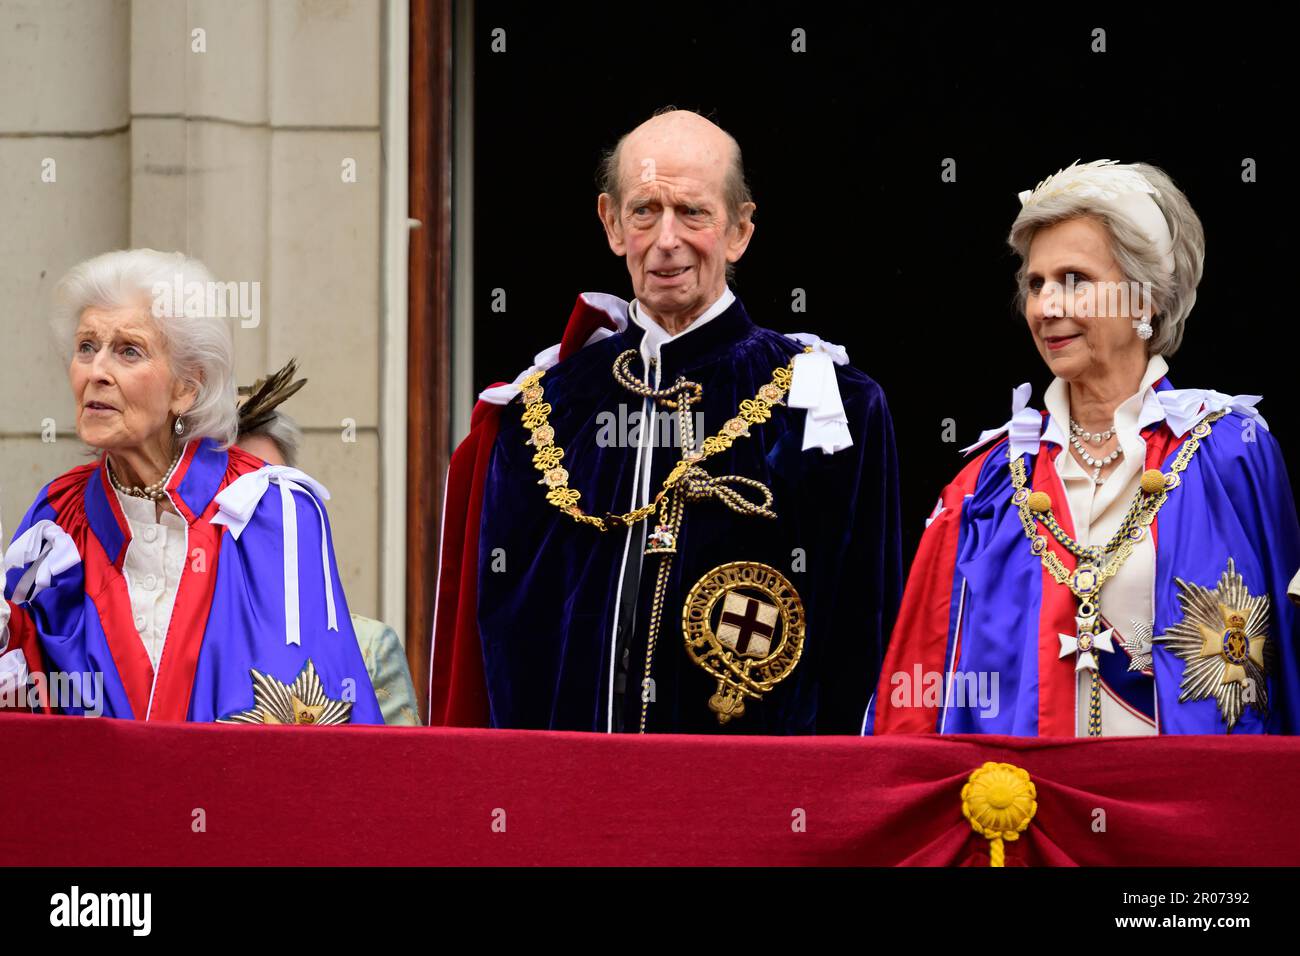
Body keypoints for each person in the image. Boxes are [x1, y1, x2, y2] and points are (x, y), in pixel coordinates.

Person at [429, 107, 902, 734]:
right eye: (644, 210)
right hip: (571, 802)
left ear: (739, 229)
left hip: (760, 803)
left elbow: (866, 643)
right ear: (611, 224)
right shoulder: (538, 415)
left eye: (694, 212)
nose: (666, 238)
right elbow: (496, 657)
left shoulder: (830, 407)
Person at [868, 160, 1300, 736]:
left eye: (1075, 280)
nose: (1047, 307)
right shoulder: (988, 483)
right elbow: (917, 691)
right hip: (1021, 812)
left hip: (1188, 809)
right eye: (1036, 284)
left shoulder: (1230, 451)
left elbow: (1289, 663)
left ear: (1144, 301)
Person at [0, 249, 381, 723]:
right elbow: (23, 690)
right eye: (86, 347)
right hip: (96, 796)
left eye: (128, 350)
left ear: (186, 388)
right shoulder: (58, 517)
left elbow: (310, 711)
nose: (96, 371)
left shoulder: (268, 509)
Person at [234, 375, 420, 727]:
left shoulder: (368, 648)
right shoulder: (173, 645)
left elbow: (402, 776)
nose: (256, 507)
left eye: (272, 483)